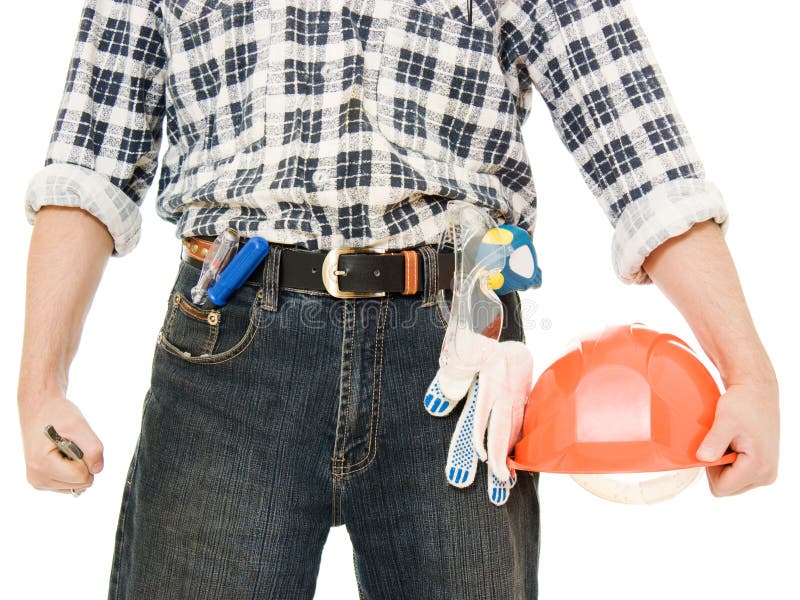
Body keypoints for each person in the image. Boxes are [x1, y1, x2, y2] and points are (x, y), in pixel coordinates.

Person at [17, 0, 779, 598]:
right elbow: (88, 165)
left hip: (457, 359)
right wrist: (39, 383)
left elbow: (641, 150)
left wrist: (748, 371)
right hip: (230, 353)